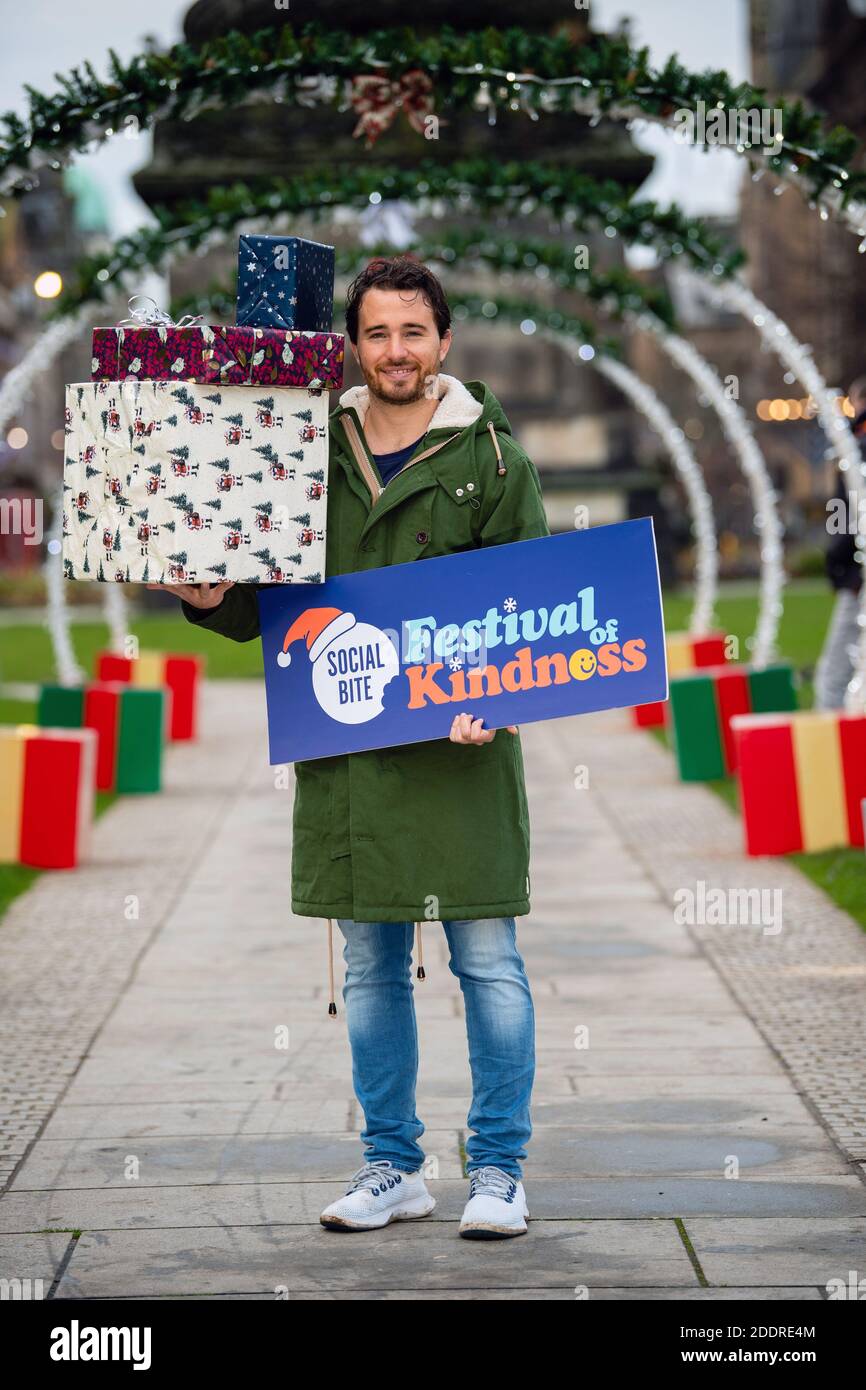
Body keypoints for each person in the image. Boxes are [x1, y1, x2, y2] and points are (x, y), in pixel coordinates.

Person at [150, 256, 551, 1239]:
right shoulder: (300, 450)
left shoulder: (492, 460)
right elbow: (267, 603)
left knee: (487, 962)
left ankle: (497, 1169)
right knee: (368, 970)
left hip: (461, 756)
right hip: (352, 759)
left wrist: (491, 698)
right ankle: (392, 1165)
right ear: (351, 345)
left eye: (412, 332)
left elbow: (528, 612)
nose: (395, 351)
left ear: (443, 342)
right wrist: (209, 596)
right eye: (375, 333)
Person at [814, 375, 866, 709]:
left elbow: (843, 518)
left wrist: (838, 566)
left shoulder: (855, 450)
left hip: (859, 578)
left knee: (834, 677)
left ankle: (830, 755)